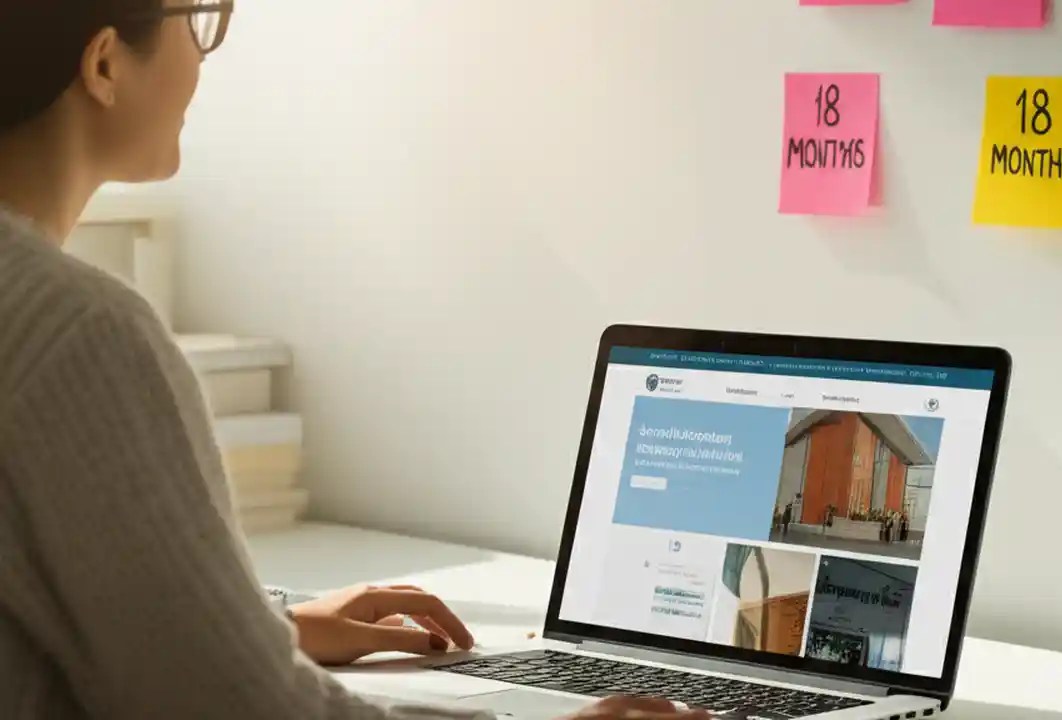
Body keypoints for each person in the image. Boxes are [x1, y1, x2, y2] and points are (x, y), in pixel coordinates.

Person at [0, 3, 710, 720]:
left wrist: (255, 629)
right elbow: (240, 709)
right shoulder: (80, 336)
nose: (202, 56)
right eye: (196, 21)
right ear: (104, 64)